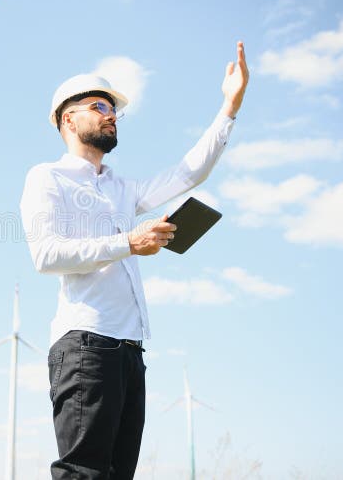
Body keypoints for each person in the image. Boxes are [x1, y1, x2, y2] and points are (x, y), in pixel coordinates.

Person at [19, 42, 249, 479]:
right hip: (85, 344)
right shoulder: (46, 177)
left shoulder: (123, 188)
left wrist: (229, 107)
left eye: (114, 109)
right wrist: (129, 241)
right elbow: (46, 255)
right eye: (100, 105)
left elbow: (188, 174)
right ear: (69, 118)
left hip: (129, 351)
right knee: (83, 474)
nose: (111, 114)